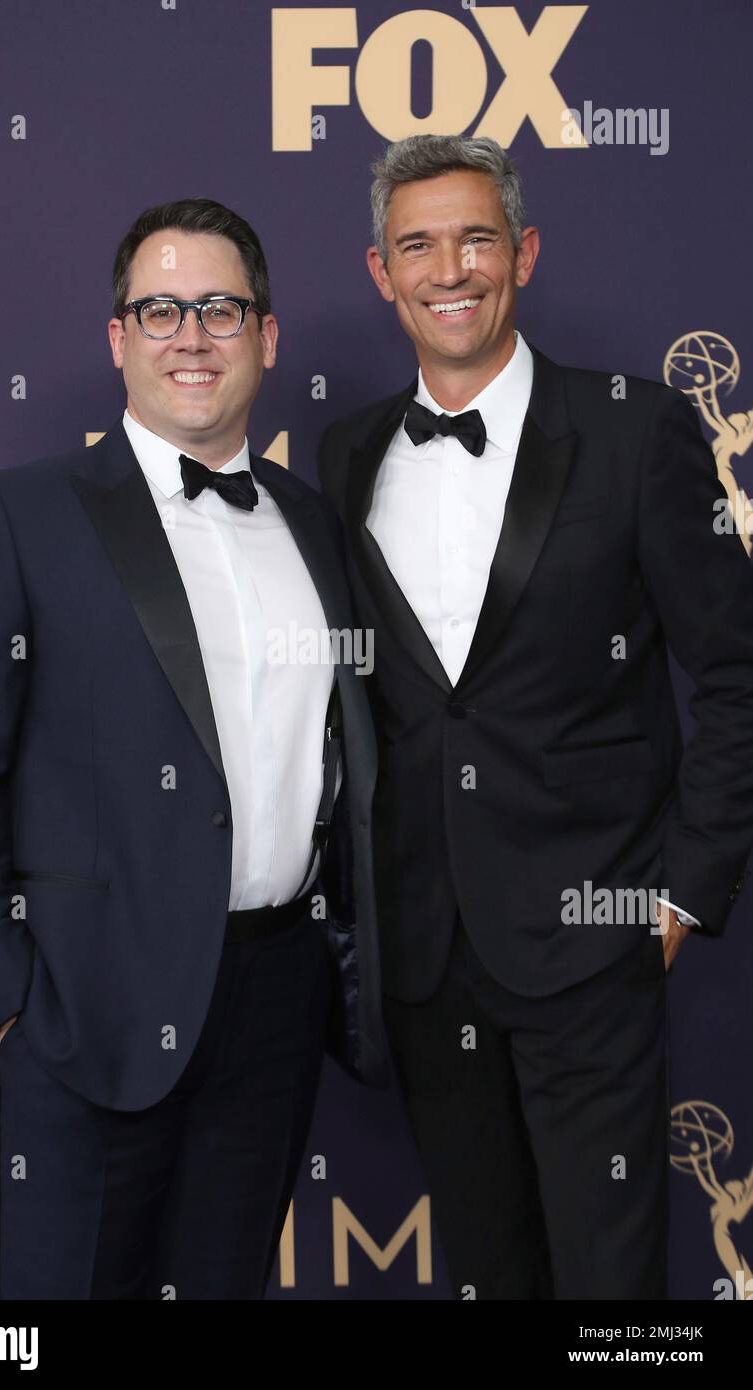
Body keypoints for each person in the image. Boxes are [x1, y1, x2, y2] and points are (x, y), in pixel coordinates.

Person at [0, 197, 387, 1300]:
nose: (190, 335)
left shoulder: (314, 525)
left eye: (219, 308)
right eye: (159, 309)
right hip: (79, 1005)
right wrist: (11, 1001)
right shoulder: (16, 514)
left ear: (267, 337)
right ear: (118, 339)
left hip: (272, 998)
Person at [318, 134, 753, 1299]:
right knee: (486, 1270)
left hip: (592, 937)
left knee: (611, 1289)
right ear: (380, 271)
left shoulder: (636, 430)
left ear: (523, 252)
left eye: (474, 238)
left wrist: (679, 895)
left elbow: (734, 672)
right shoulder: (346, 450)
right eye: (416, 245)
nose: (447, 268)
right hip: (422, 950)